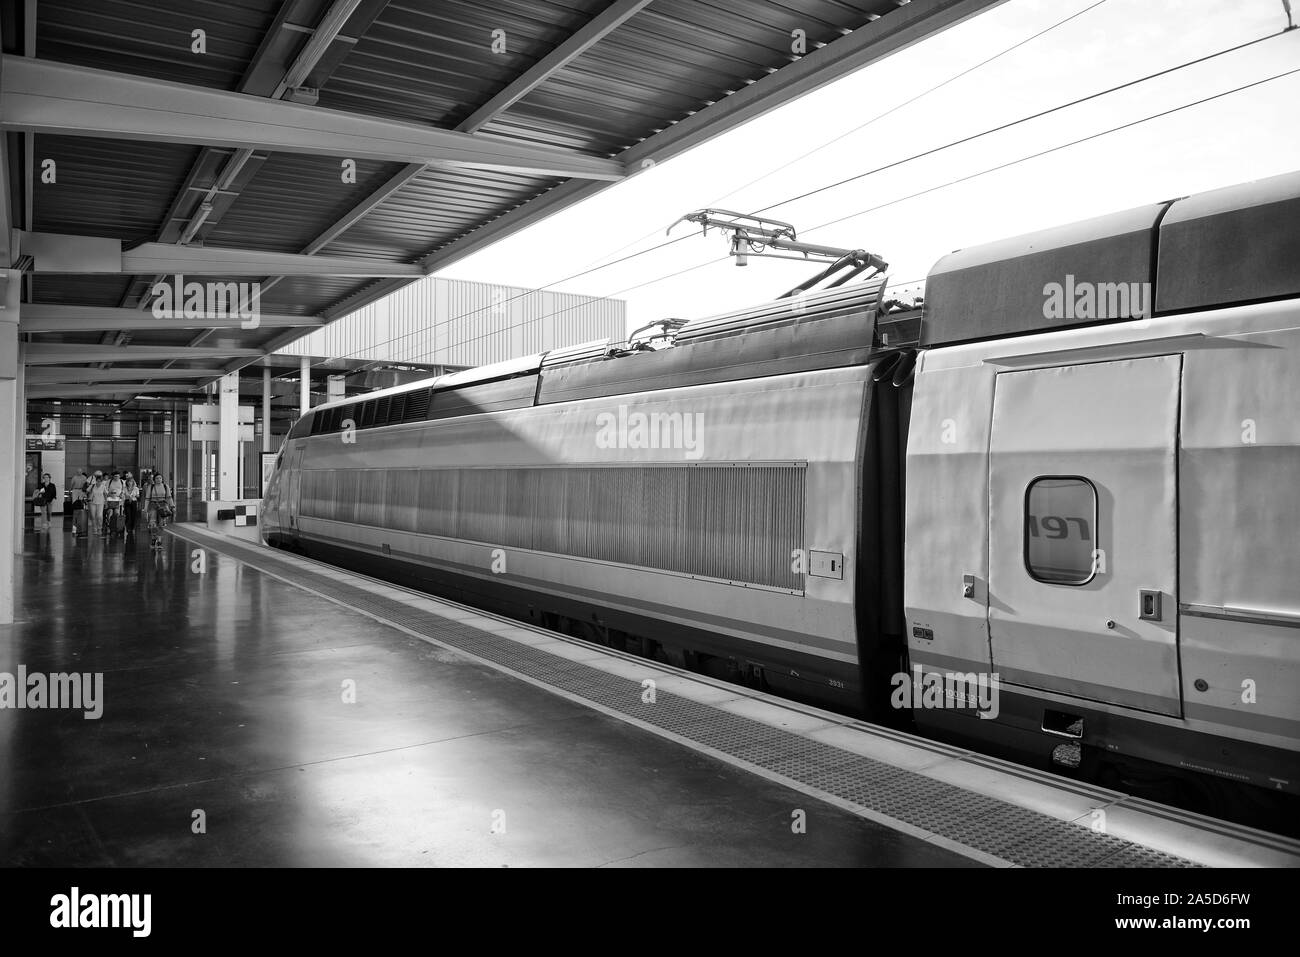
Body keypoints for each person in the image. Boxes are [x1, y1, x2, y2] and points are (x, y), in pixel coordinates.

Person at [145, 472, 174, 549]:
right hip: (152, 505)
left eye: (160, 478)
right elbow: (147, 499)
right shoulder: (150, 487)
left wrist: (172, 506)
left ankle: (159, 542)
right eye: (157, 478)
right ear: (154, 479)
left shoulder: (165, 486)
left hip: (163, 506)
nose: (159, 479)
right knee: (153, 525)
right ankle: (153, 540)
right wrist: (145, 508)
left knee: (161, 525)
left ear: (162, 479)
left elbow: (169, 497)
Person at [103, 471, 126, 536]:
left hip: (119, 501)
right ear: (112, 476)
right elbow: (105, 490)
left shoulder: (122, 482)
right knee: (110, 512)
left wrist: (122, 494)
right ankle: (109, 525)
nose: (117, 477)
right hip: (110, 500)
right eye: (115, 476)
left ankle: (116, 526)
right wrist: (109, 494)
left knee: (117, 513)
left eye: (118, 476)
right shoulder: (109, 482)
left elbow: (124, 489)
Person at [87, 471, 106, 537]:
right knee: (93, 516)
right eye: (97, 481)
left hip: (101, 503)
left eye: (100, 481)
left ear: (101, 481)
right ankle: (94, 529)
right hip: (92, 503)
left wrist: (106, 502)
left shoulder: (103, 486)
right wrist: (88, 495)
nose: (98, 483)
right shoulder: (92, 486)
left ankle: (99, 528)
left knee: (99, 516)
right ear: (95, 481)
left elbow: (105, 494)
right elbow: (86, 491)